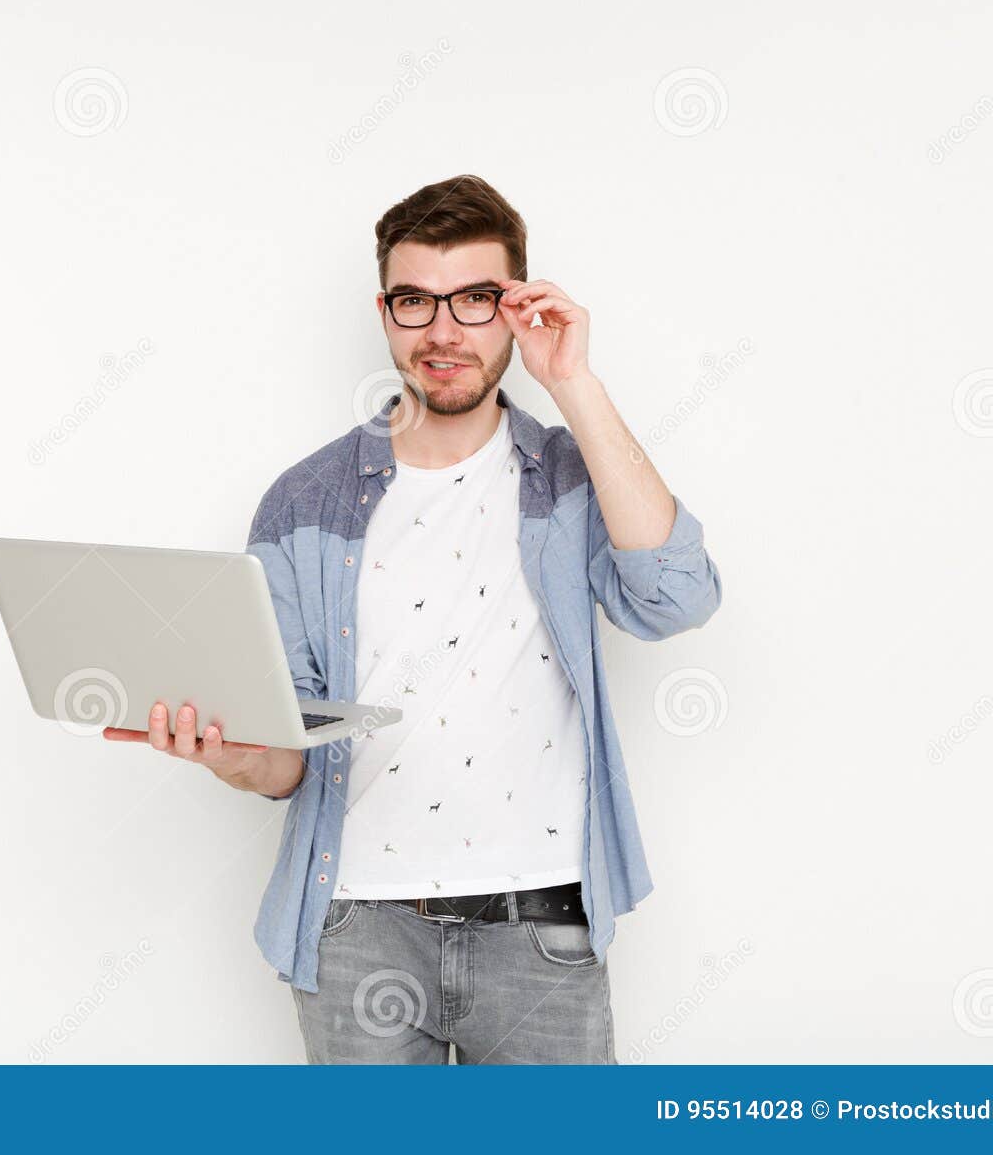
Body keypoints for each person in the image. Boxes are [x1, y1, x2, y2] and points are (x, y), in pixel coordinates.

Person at [104, 174, 723, 1063]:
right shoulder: (303, 503)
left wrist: (575, 384)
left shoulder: (570, 481)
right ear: (385, 310)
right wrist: (226, 751)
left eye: (475, 300)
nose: (442, 331)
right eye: (415, 301)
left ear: (517, 307)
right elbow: (287, 759)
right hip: (357, 929)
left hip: (541, 926)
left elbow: (678, 598)